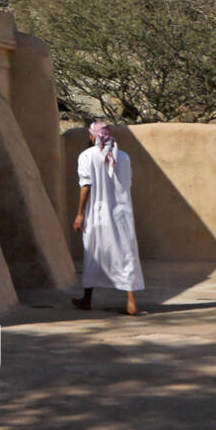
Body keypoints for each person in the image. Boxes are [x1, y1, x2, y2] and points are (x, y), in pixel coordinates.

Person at [72, 120, 145, 314]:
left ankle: (87, 299)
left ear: (93, 136)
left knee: (93, 252)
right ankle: (131, 302)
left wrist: (80, 213)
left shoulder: (87, 156)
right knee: (126, 254)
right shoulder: (123, 157)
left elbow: (86, 186)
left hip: (97, 214)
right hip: (121, 214)